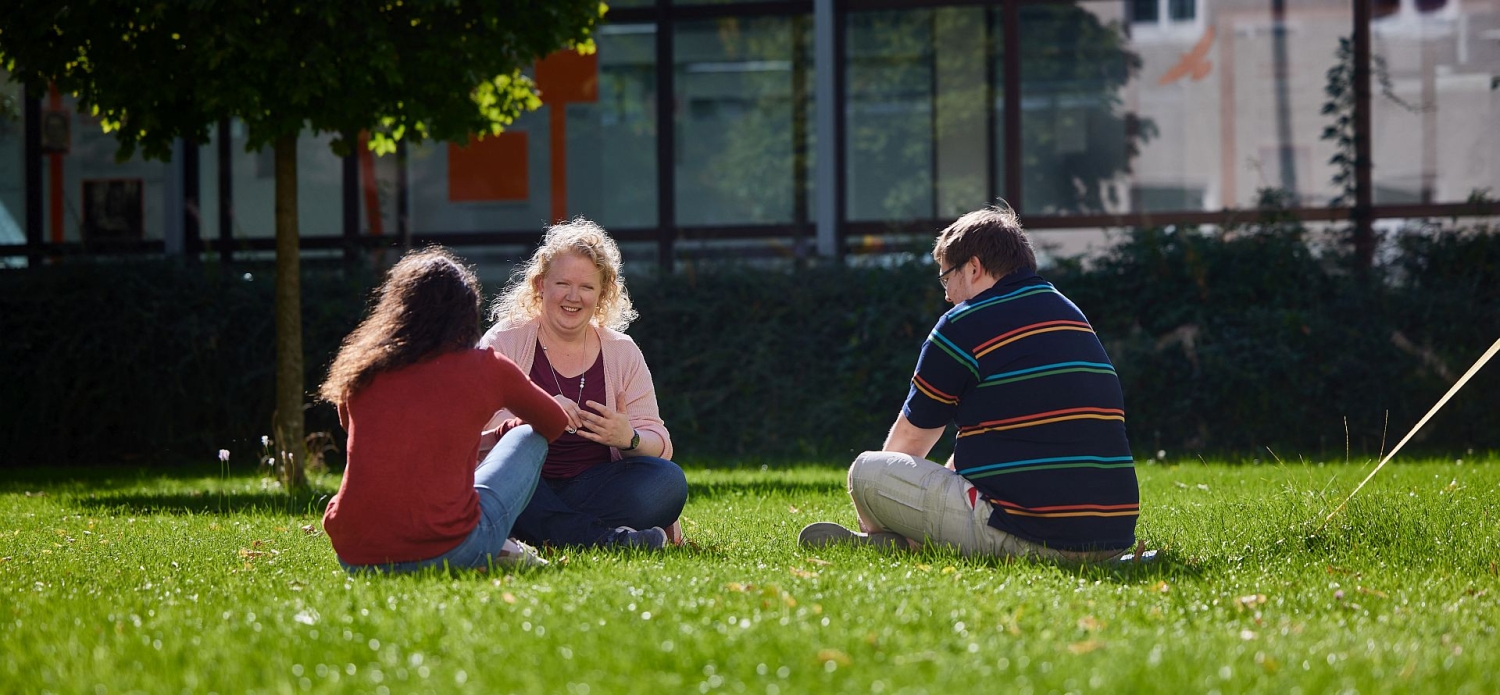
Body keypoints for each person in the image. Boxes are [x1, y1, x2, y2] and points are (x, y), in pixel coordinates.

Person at [799, 206, 1139, 561]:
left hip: (1031, 537)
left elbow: (908, 445)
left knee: (867, 472)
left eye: (947, 278)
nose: (947, 294)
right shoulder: (1069, 314)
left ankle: (896, 540)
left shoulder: (964, 324)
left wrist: (885, 512)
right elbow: (996, 439)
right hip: (1110, 539)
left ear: (974, 267)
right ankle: (913, 539)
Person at [320, 247, 569, 573]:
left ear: (395, 308)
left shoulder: (363, 368)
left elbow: (353, 429)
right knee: (529, 436)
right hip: (448, 551)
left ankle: (499, 547)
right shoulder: (486, 368)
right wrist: (504, 432)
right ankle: (497, 546)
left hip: (355, 558)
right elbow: (554, 422)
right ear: (467, 312)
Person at [480, 218, 687, 550]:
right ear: (539, 285)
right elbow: (471, 430)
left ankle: (539, 532)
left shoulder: (622, 351)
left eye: (587, 287)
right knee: (502, 493)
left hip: (591, 487)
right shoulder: (504, 339)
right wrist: (539, 414)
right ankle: (608, 540)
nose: (573, 297)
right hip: (524, 485)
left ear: (602, 294)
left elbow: (660, 443)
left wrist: (628, 438)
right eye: (562, 283)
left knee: (667, 482)